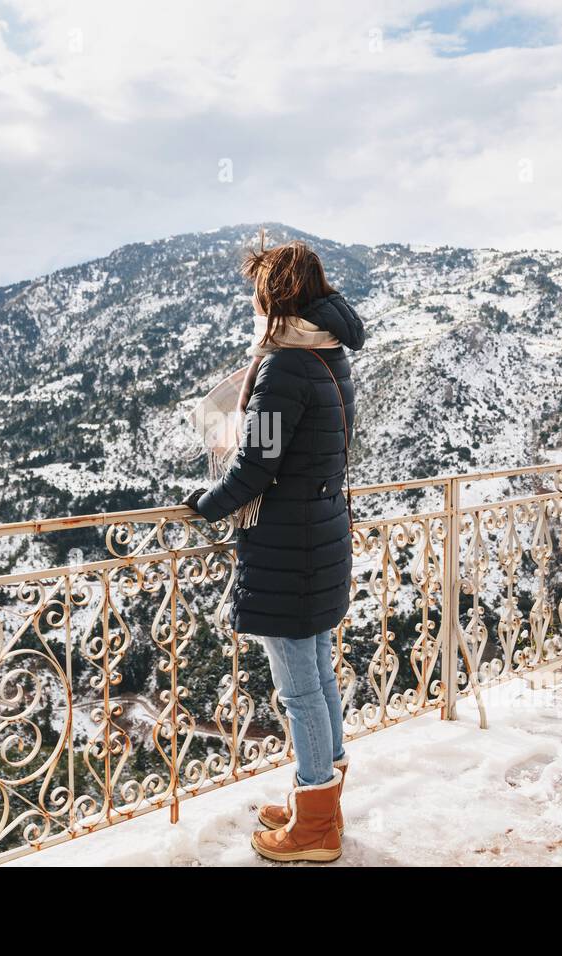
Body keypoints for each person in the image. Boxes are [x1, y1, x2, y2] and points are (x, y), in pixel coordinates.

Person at [183, 239, 365, 862]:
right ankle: (323, 800)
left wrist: (203, 505)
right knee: (318, 674)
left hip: (289, 548)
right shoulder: (329, 356)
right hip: (320, 536)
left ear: (274, 297)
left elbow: (255, 466)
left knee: (299, 691)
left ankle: (314, 827)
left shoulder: (285, 364)